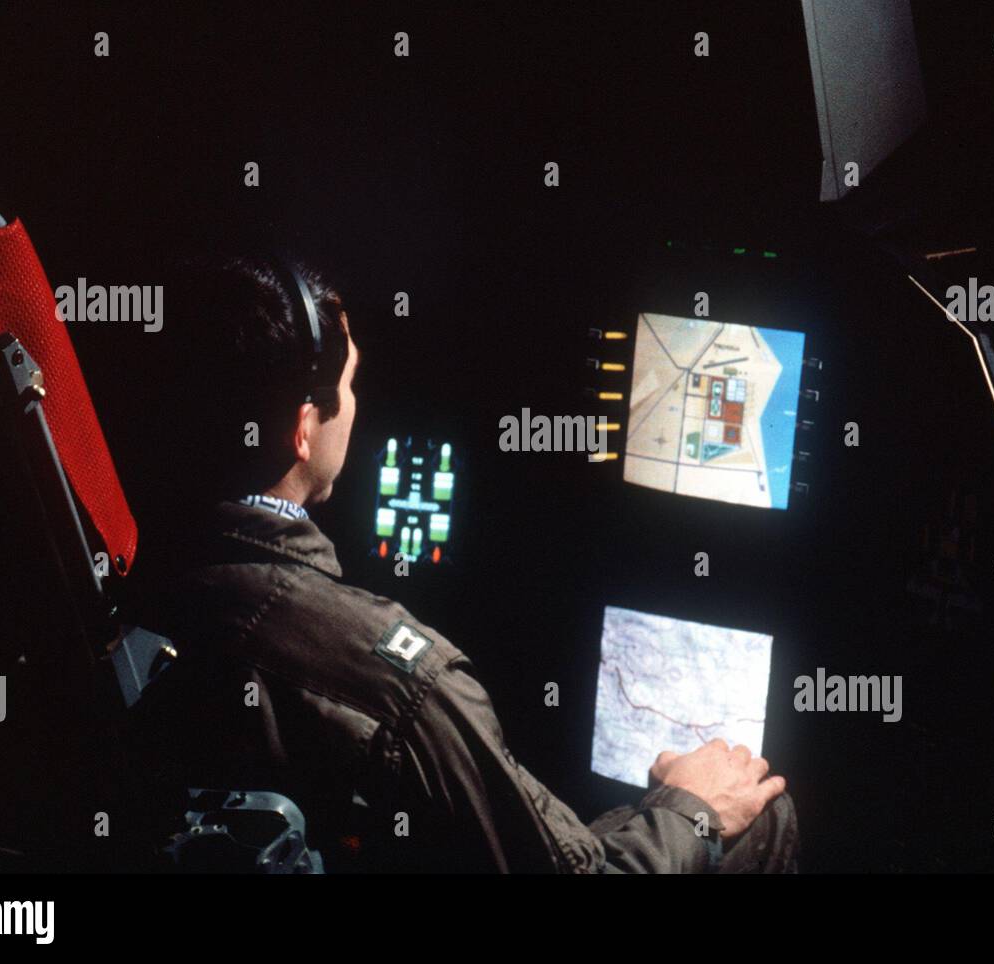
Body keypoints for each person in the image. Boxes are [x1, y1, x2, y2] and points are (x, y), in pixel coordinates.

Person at [122, 256, 798, 873]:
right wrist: (694, 809)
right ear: (304, 429)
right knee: (761, 817)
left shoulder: (127, 571)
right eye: (350, 383)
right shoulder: (403, 683)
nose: (355, 405)